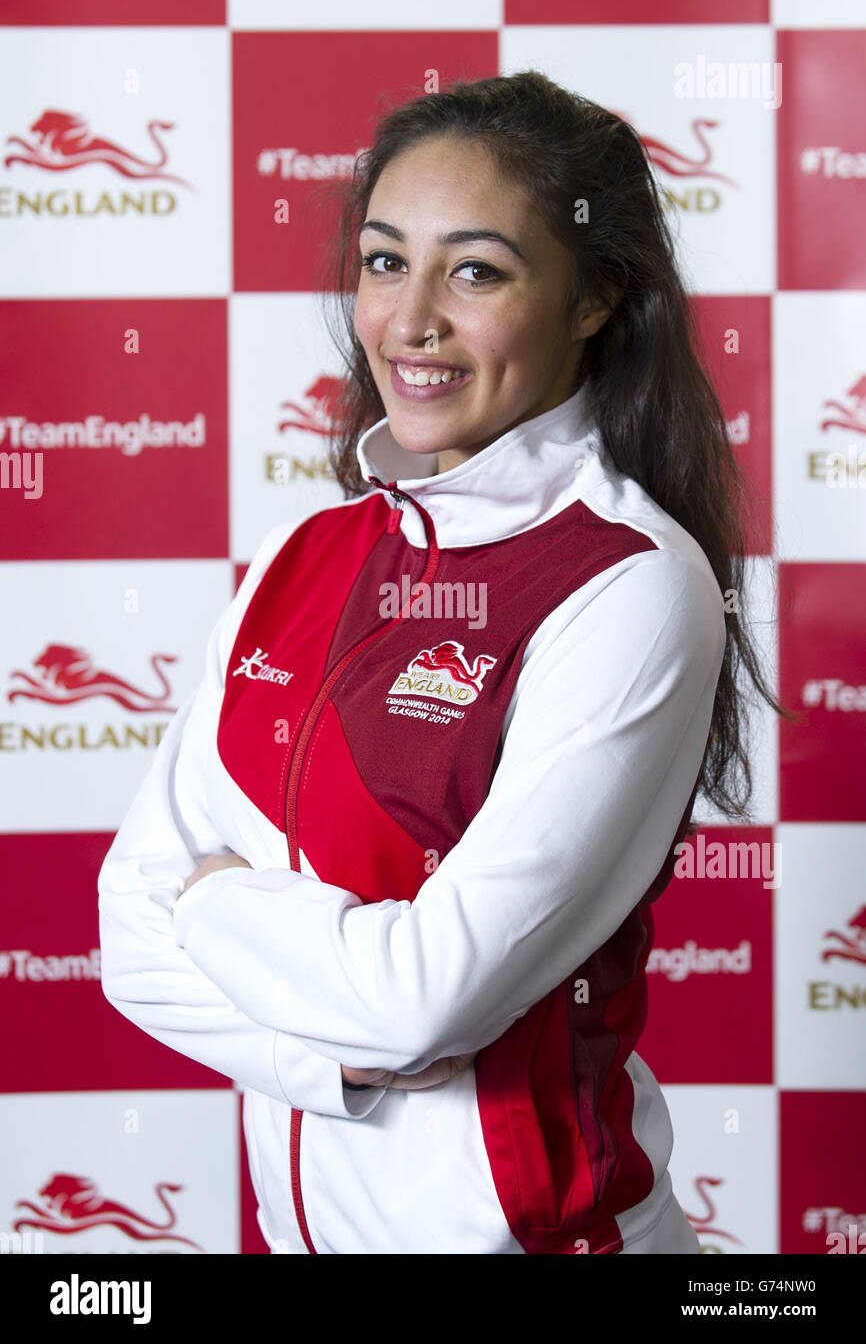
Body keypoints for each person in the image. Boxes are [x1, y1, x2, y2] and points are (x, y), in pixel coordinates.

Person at [97, 69, 788, 1255]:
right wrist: (353, 1056)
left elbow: (429, 991)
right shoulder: (302, 553)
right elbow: (127, 936)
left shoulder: (627, 582)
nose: (409, 319)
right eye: (381, 261)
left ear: (592, 297)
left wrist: (213, 898)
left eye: (475, 270)